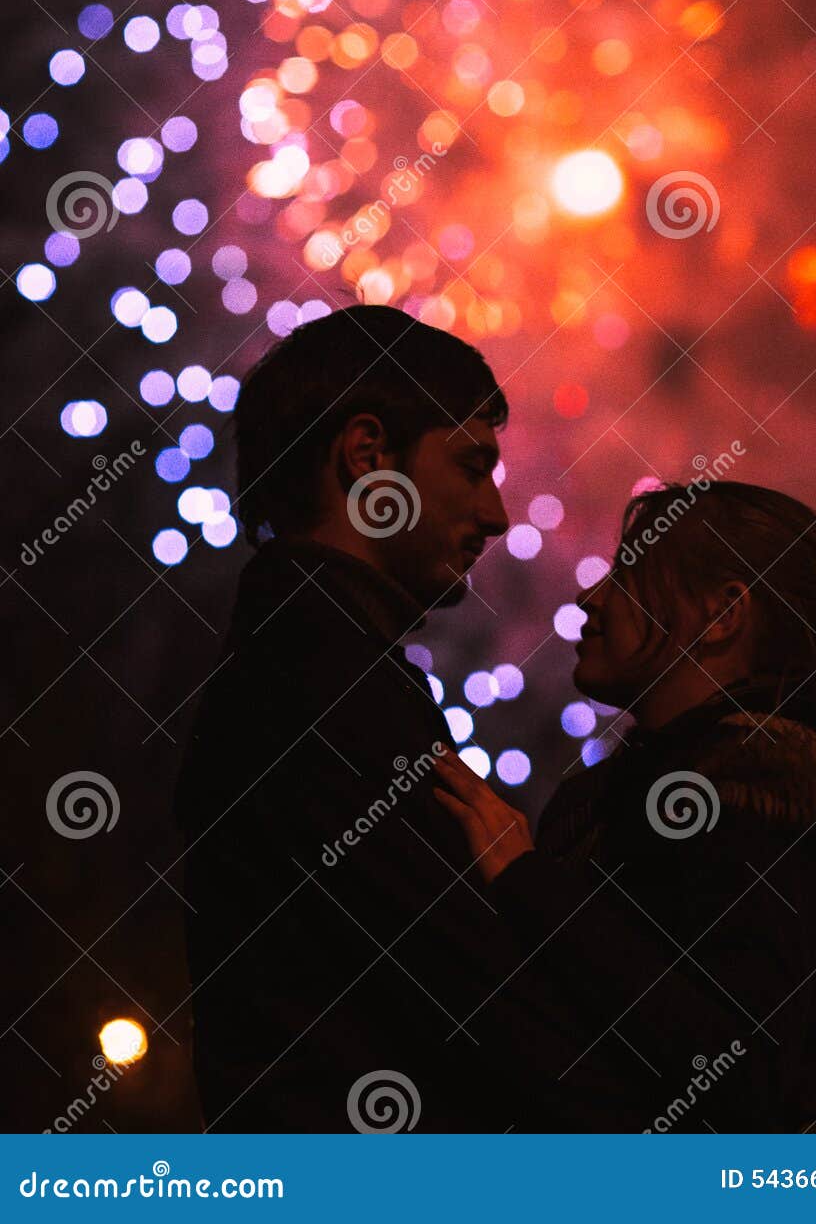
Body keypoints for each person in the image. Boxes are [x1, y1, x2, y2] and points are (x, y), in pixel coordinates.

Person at [175, 304, 643, 1131]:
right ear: (367, 456)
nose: (497, 516)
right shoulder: (327, 684)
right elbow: (476, 995)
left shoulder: (308, 664)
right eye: (470, 466)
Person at [434, 479, 816, 1132]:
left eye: (628, 578)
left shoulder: (757, 820)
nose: (588, 599)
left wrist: (529, 883)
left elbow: (735, 1075)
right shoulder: (675, 797)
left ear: (722, 614)